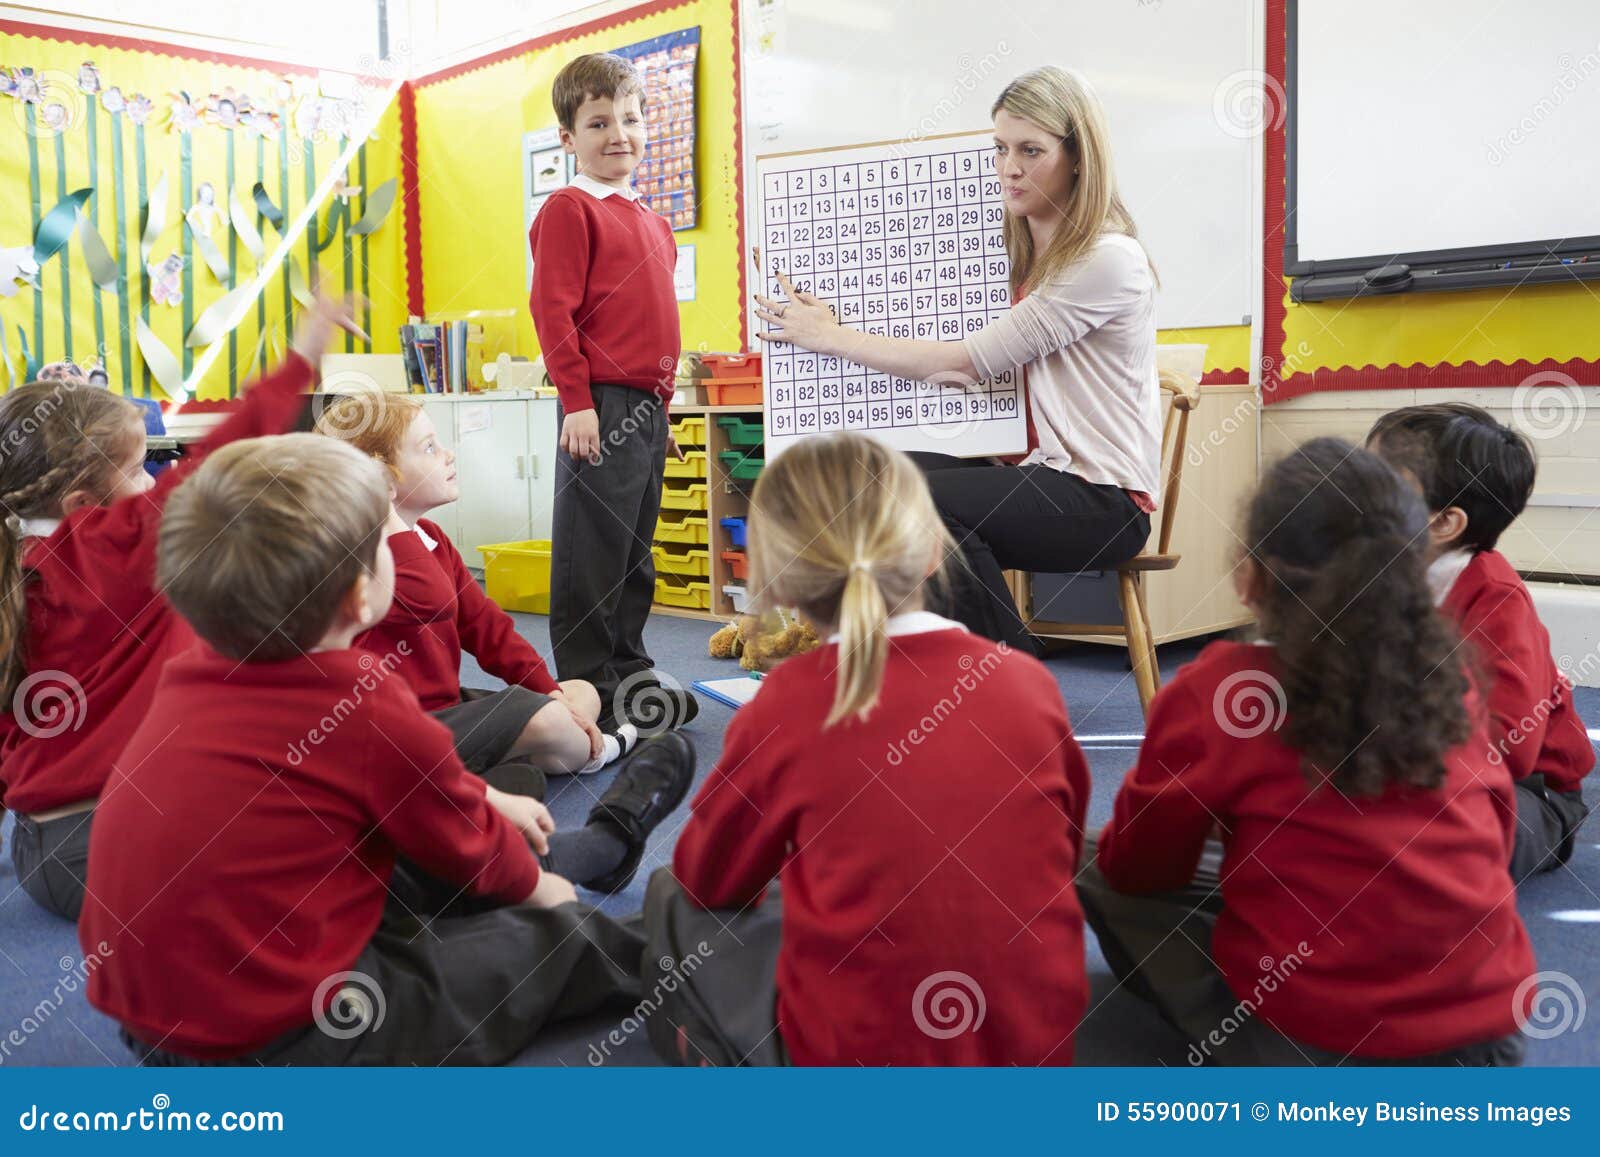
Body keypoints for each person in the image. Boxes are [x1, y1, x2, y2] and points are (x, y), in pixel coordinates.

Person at [78, 434, 696, 1065]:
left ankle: (596, 850)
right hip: (293, 1039)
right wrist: (541, 894)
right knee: (546, 942)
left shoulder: (191, 679)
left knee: (415, 851)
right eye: (386, 535)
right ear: (360, 595)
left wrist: (481, 797)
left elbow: (396, 802)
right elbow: (464, 844)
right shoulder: (356, 699)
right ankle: (684, 944)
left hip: (155, 1025)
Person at [1079, 438, 1534, 1066]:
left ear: (1251, 576)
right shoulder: (1451, 671)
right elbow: (1498, 828)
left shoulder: (1221, 689)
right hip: (1489, 1040)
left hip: (1315, 1045)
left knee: (1090, 858)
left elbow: (1139, 867)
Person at [648, 433, 1091, 1065]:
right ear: (935, 551)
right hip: (1037, 1048)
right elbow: (1065, 844)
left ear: (775, 585)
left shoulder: (785, 703)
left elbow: (709, 878)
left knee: (670, 896)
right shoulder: (1028, 683)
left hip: (853, 1057)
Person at [754, 66, 1159, 654]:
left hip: (1104, 501)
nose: (1008, 167)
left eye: (1031, 150)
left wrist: (830, 336)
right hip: (1039, 472)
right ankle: (930, 664)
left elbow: (970, 363)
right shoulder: (1028, 249)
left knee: (918, 502)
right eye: (1000, 148)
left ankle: (1004, 673)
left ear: (1079, 158)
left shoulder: (1106, 258)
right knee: (871, 479)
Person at [0, 293, 357, 920]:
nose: (151, 484)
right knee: (341, 849)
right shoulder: (109, 546)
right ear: (83, 504)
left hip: (40, 854)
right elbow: (221, 454)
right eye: (140, 472)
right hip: (122, 848)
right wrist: (303, 355)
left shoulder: (14, 566)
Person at [316, 392, 638, 795]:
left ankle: (475, 771)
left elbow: (488, 629)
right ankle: (589, 751)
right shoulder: (359, 557)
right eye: (429, 448)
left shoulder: (431, 539)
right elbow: (428, 598)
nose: (448, 455)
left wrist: (553, 693)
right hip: (387, 730)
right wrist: (381, 508)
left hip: (447, 710)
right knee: (552, 723)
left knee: (578, 693)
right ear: (381, 478)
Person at [530, 51, 697, 729]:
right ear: (569, 138)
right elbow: (552, 311)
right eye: (598, 123)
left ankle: (628, 668)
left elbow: (652, 320)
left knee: (634, 548)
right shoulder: (570, 209)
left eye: (629, 119)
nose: (617, 134)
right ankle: (586, 686)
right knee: (592, 549)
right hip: (599, 404)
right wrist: (576, 401)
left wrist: (665, 406)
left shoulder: (654, 223)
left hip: (647, 408)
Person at [1367, 403, 1592, 881]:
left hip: (1528, 792)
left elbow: (1510, 747)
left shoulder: (1495, 597)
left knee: (1432, 832)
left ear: (1444, 524)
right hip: (1410, 763)